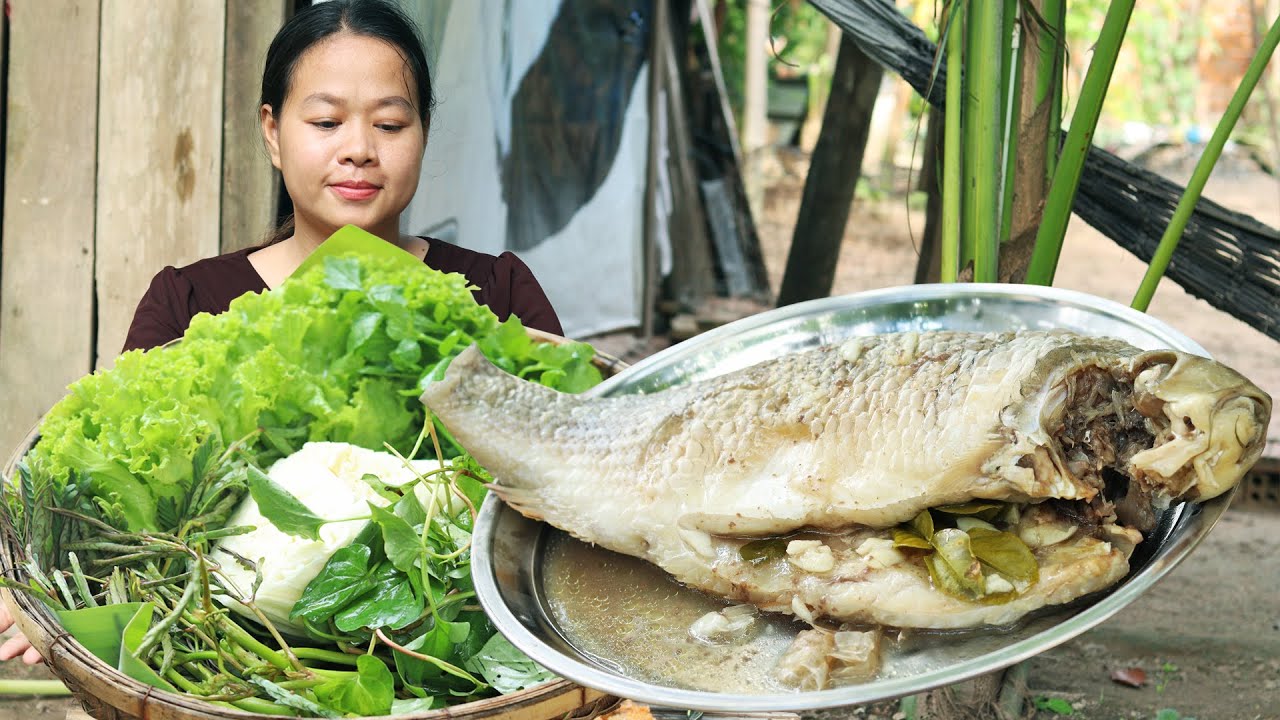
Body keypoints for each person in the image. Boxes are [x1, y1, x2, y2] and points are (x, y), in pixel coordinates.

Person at [2, 0, 563, 664]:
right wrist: (42, 581)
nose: (358, 149)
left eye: (390, 123)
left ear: (424, 132)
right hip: (235, 663)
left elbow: (566, 490)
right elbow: (117, 519)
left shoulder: (495, 294)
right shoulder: (189, 303)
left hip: (456, 658)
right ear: (272, 131)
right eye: (326, 121)